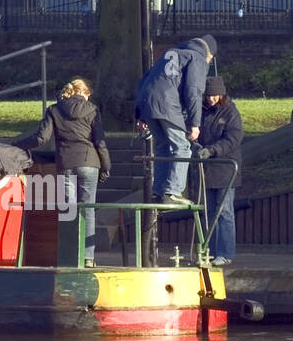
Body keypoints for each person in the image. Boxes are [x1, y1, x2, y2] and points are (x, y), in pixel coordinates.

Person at [16, 77, 112, 268]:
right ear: (83, 93)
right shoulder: (92, 109)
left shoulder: (54, 109)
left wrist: (17, 145)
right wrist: (106, 166)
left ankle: (69, 256)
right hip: (89, 162)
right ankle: (88, 258)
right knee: (88, 210)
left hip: (66, 163)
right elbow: (100, 141)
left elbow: (41, 137)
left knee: (69, 210)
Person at [134, 34, 216, 206]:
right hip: (168, 104)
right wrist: (195, 123)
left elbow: (145, 79)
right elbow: (194, 90)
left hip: (148, 103)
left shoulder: (171, 52)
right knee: (182, 147)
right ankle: (173, 191)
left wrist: (140, 113)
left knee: (163, 146)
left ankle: (158, 192)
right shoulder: (198, 58)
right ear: (209, 55)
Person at [195, 74, 243, 266]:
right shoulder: (202, 111)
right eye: (208, 95)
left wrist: (213, 150)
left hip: (225, 169)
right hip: (206, 170)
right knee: (208, 212)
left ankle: (226, 253)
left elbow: (233, 138)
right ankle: (210, 252)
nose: (210, 98)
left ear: (221, 94)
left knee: (224, 211)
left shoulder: (231, 112)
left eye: (214, 95)